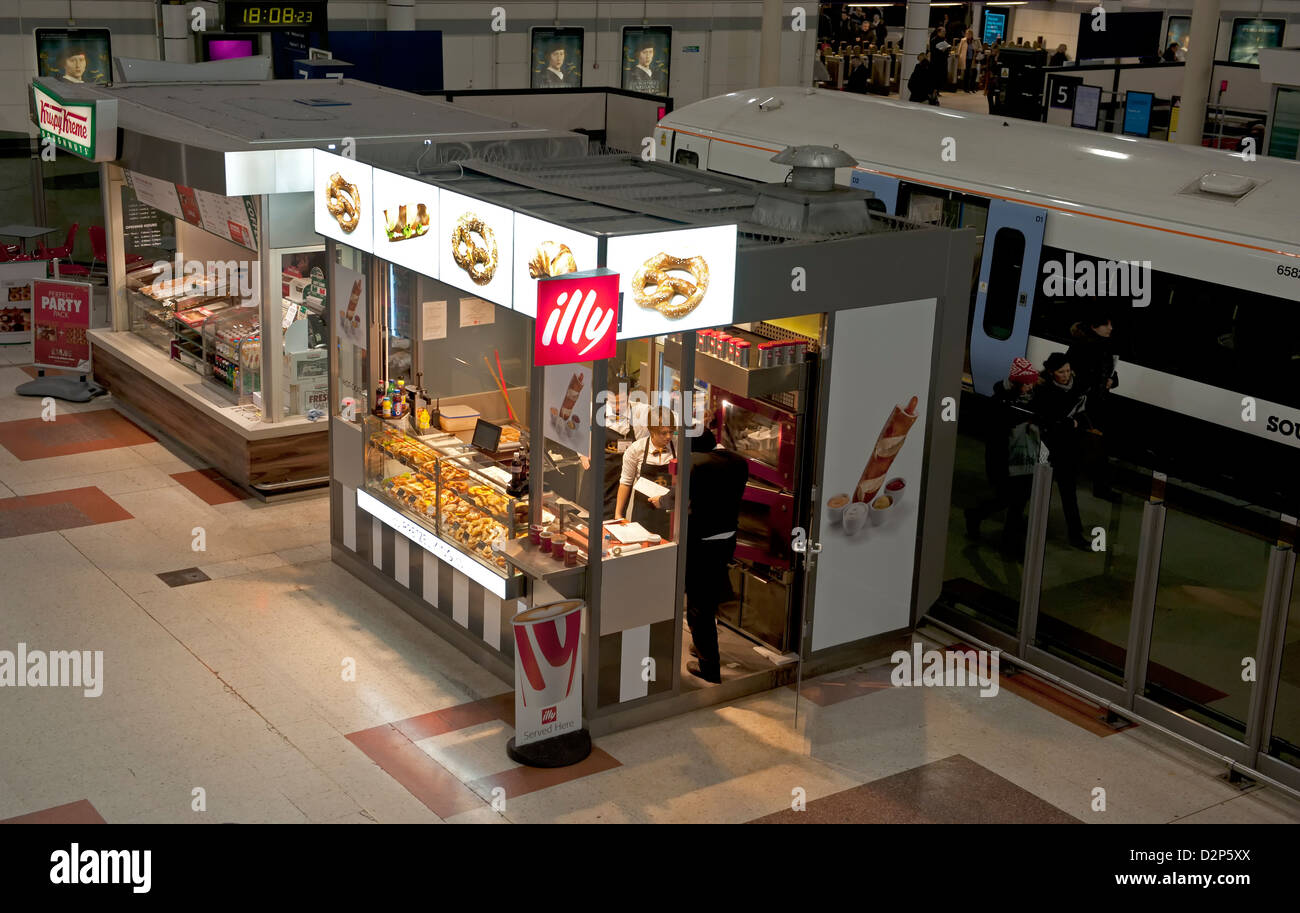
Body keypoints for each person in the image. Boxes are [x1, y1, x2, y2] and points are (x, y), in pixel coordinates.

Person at [683, 427, 749, 684]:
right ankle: (702, 645)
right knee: (711, 595)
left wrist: (662, 500)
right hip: (727, 539)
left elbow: (681, 501)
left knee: (698, 607)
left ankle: (709, 667)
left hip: (701, 544)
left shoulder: (696, 465)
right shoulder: (738, 462)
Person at [966, 357, 1042, 553]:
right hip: (1003, 458)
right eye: (1026, 383)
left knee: (1019, 501)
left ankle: (1010, 543)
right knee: (1006, 498)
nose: (1031, 386)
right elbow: (994, 431)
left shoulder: (1032, 398)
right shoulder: (1000, 401)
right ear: (1016, 383)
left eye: (1032, 382)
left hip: (1025, 456)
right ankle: (976, 515)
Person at [1033, 353, 1090, 549]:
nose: (1066, 375)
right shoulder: (1043, 390)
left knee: (1068, 491)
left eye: (1068, 370)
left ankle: (1076, 535)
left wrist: (1074, 423)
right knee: (1024, 491)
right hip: (1046, 445)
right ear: (1051, 373)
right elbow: (1048, 418)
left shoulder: (1078, 386)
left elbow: (1083, 415)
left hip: (1066, 447)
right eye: (1061, 372)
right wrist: (1069, 423)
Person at [1067, 308, 1120, 498]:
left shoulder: (1103, 345)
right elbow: (1073, 373)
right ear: (1094, 327)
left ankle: (1094, 484)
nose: (1111, 328)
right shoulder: (1082, 345)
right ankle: (1100, 488)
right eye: (1106, 324)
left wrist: (1112, 381)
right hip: (1085, 403)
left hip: (1096, 401)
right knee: (1097, 445)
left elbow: (1111, 373)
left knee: (1091, 443)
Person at [615, 407, 677, 539]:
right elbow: (626, 482)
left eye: (671, 432)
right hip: (643, 511)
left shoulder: (678, 448)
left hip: (670, 512)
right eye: (663, 433)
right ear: (651, 431)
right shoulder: (636, 449)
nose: (669, 437)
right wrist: (618, 515)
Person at [929, 25, 951, 95]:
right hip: (936, 62)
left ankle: (937, 90)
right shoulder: (933, 40)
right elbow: (933, 51)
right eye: (943, 31)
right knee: (935, 77)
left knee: (941, 77)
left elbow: (948, 50)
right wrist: (941, 51)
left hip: (943, 62)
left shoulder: (945, 40)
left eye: (945, 31)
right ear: (939, 32)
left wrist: (946, 50)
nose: (945, 33)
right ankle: (933, 91)